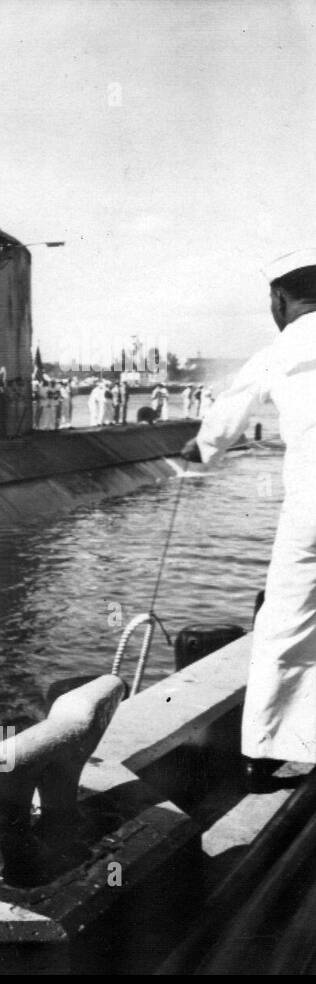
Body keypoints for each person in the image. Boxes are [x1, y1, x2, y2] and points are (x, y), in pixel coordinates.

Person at [181, 249, 316, 787]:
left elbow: (227, 416)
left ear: (281, 299)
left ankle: (260, 756)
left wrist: (202, 449)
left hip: (309, 508)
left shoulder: (277, 350)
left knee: (284, 625)